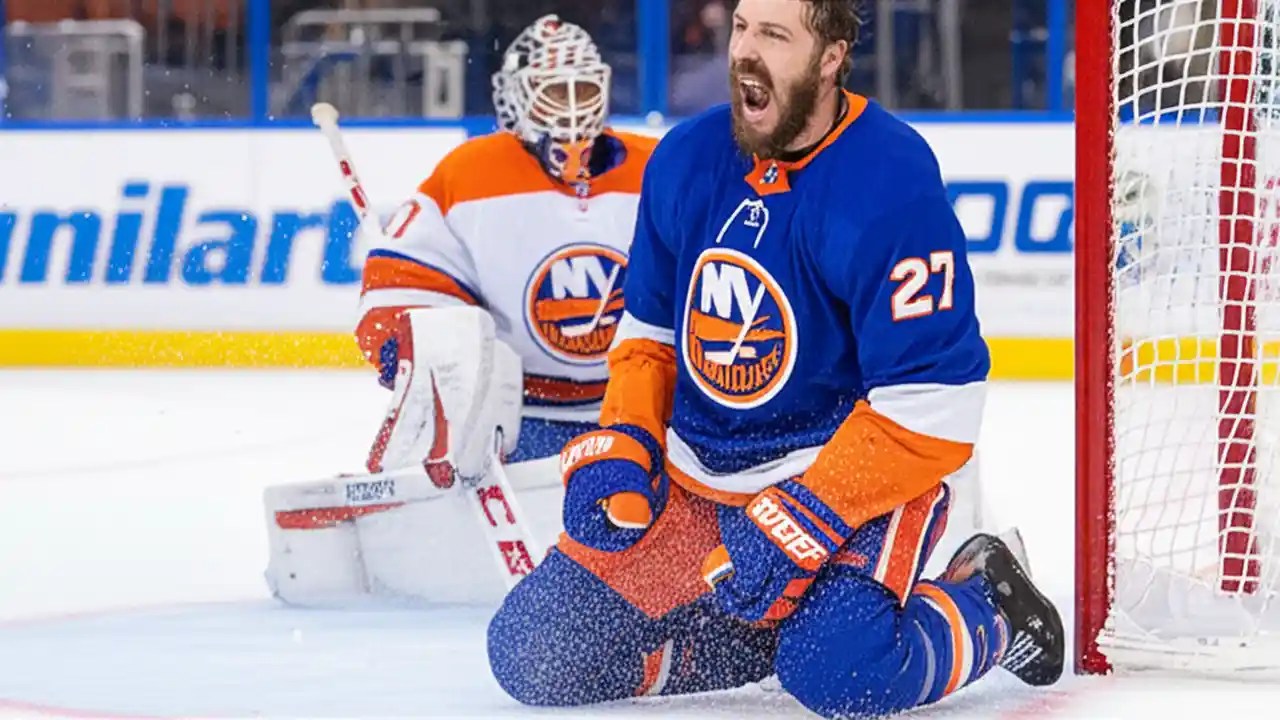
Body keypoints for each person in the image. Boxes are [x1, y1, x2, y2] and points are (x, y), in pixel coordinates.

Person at [486, 1, 1064, 717]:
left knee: (843, 674)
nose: (745, 53)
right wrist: (629, 438)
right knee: (537, 654)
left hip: (847, 483)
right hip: (702, 481)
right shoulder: (686, 159)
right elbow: (649, 336)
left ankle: (990, 603)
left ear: (830, 57)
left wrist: (808, 515)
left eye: (776, 35)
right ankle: (766, 639)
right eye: (742, 28)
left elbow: (935, 408)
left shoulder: (889, 178)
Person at [263, 15, 658, 607]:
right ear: (518, 97)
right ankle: (418, 504)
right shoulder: (471, 173)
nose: (572, 109)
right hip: (523, 421)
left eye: (584, 89)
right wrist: (424, 361)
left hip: (641, 409)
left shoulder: (658, 166)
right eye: (554, 91)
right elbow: (401, 285)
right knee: (457, 351)